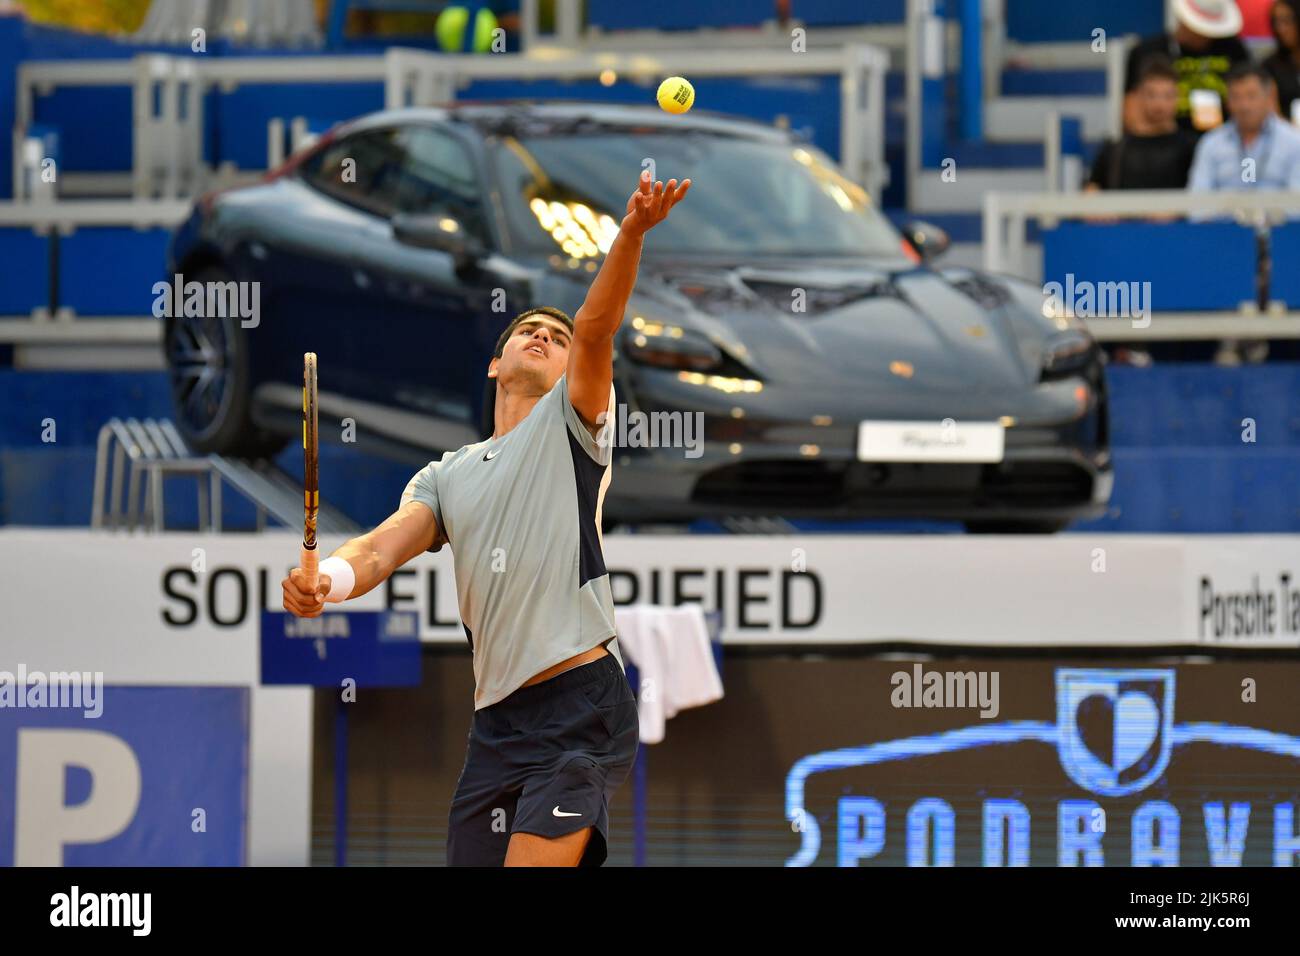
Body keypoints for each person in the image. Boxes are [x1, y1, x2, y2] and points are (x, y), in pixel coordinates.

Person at [282, 170, 692, 866]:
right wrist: (332, 583)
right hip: (497, 727)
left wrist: (629, 234)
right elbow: (382, 550)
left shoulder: (575, 428)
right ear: (494, 365)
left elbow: (596, 329)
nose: (542, 335)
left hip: (580, 709)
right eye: (526, 330)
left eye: (554, 337)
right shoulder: (447, 475)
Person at [1125, 0, 1251, 133]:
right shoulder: (1149, 52)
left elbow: (1253, 95)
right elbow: (1132, 111)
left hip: (1223, 141)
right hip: (1166, 141)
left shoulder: (1233, 49)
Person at [1088, 57, 1199, 190]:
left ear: (1177, 98)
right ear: (1138, 96)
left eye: (1168, 95)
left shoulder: (1193, 148)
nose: (1160, 104)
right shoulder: (1115, 149)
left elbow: (1200, 195)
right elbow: (1092, 192)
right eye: (1151, 95)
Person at [1263, 0, 1300, 121]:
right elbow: (1272, 112)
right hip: (1286, 134)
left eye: (1287, 20)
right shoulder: (1270, 65)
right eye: (1276, 22)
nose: (1281, 29)